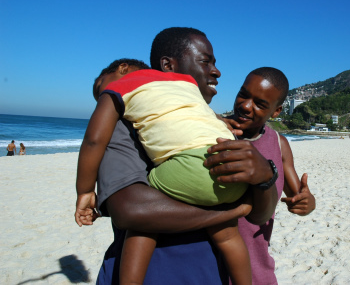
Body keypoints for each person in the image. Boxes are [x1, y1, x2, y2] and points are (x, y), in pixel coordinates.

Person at [83, 28, 278, 284]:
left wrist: (266, 177)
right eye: (205, 61)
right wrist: (228, 211)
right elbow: (131, 211)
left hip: (210, 275)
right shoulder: (122, 126)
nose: (217, 71)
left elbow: (259, 216)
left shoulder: (212, 124)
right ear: (168, 67)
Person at [207, 67, 316, 283]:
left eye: (260, 104)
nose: (246, 106)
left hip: (256, 266)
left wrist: (308, 202)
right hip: (207, 267)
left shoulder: (279, 144)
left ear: (276, 112)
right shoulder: (211, 129)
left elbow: (297, 198)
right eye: (243, 94)